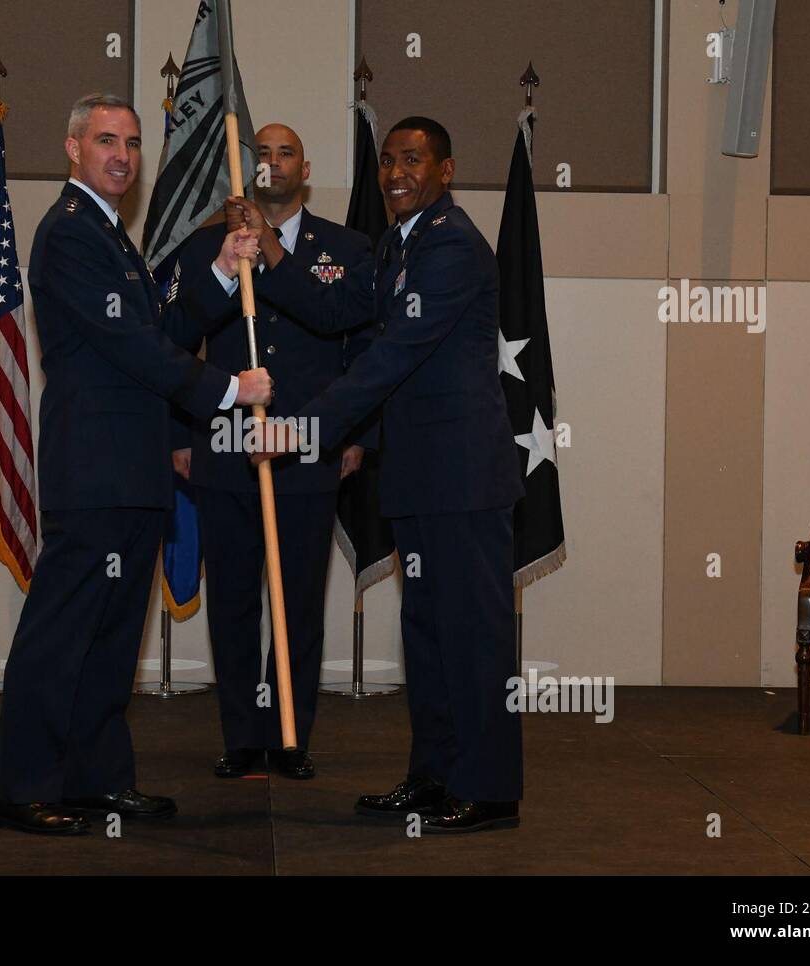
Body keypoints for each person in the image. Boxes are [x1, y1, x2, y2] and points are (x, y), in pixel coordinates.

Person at [0, 93, 273, 836]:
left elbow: (165, 328)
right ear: (73, 148)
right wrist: (230, 389)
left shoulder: (115, 239)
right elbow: (137, 352)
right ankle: (20, 788)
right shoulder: (71, 234)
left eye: (134, 142)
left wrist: (216, 265)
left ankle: (94, 779)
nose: (124, 154)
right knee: (64, 632)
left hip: (133, 469)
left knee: (112, 638)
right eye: (107, 140)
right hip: (95, 468)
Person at [227, 116, 525, 833]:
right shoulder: (398, 245)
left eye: (413, 161)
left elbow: (388, 359)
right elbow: (335, 311)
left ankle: (488, 791)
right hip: (421, 479)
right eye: (388, 160)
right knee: (425, 634)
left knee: (474, 636)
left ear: (445, 172)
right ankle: (433, 775)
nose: (396, 172)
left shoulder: (450, 246)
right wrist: (268, 246)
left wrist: (299, 431)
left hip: (463, 481)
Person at [168, 124, 376, 780]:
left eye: (286, 151)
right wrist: (180, 434)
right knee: (233, 601)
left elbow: (359, 344)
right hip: (226, 448)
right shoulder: (207, 248)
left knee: (299, 605)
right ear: (247, 168)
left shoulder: (346, 247)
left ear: (305, 166)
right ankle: (240, 737)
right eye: (261, 152)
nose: (274, 162)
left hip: (308, 450)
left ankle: (290, 738)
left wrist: (356, 436)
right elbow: (174, 344)